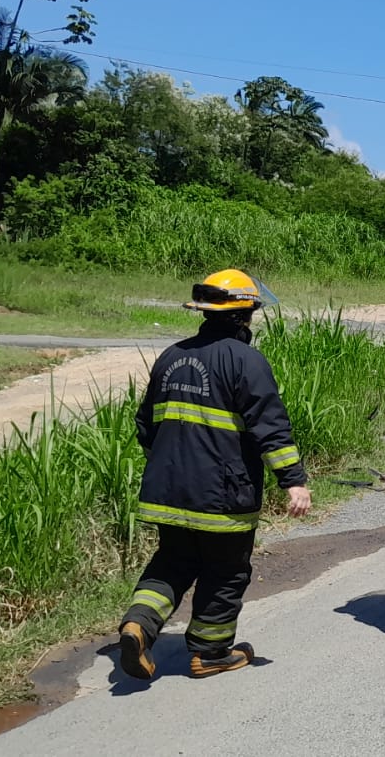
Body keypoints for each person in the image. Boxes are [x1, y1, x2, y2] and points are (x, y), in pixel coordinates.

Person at [118, 269, 311, 680]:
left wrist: (171, 466)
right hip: (222, 495)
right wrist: (293, 480)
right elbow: (270, 428)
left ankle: (139, 623)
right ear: (245, 315)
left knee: (172, 562)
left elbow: (145, 427)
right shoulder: (246, 361)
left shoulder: (171, 357)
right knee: (226, 572)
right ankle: (210, 652)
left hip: (168, 491)